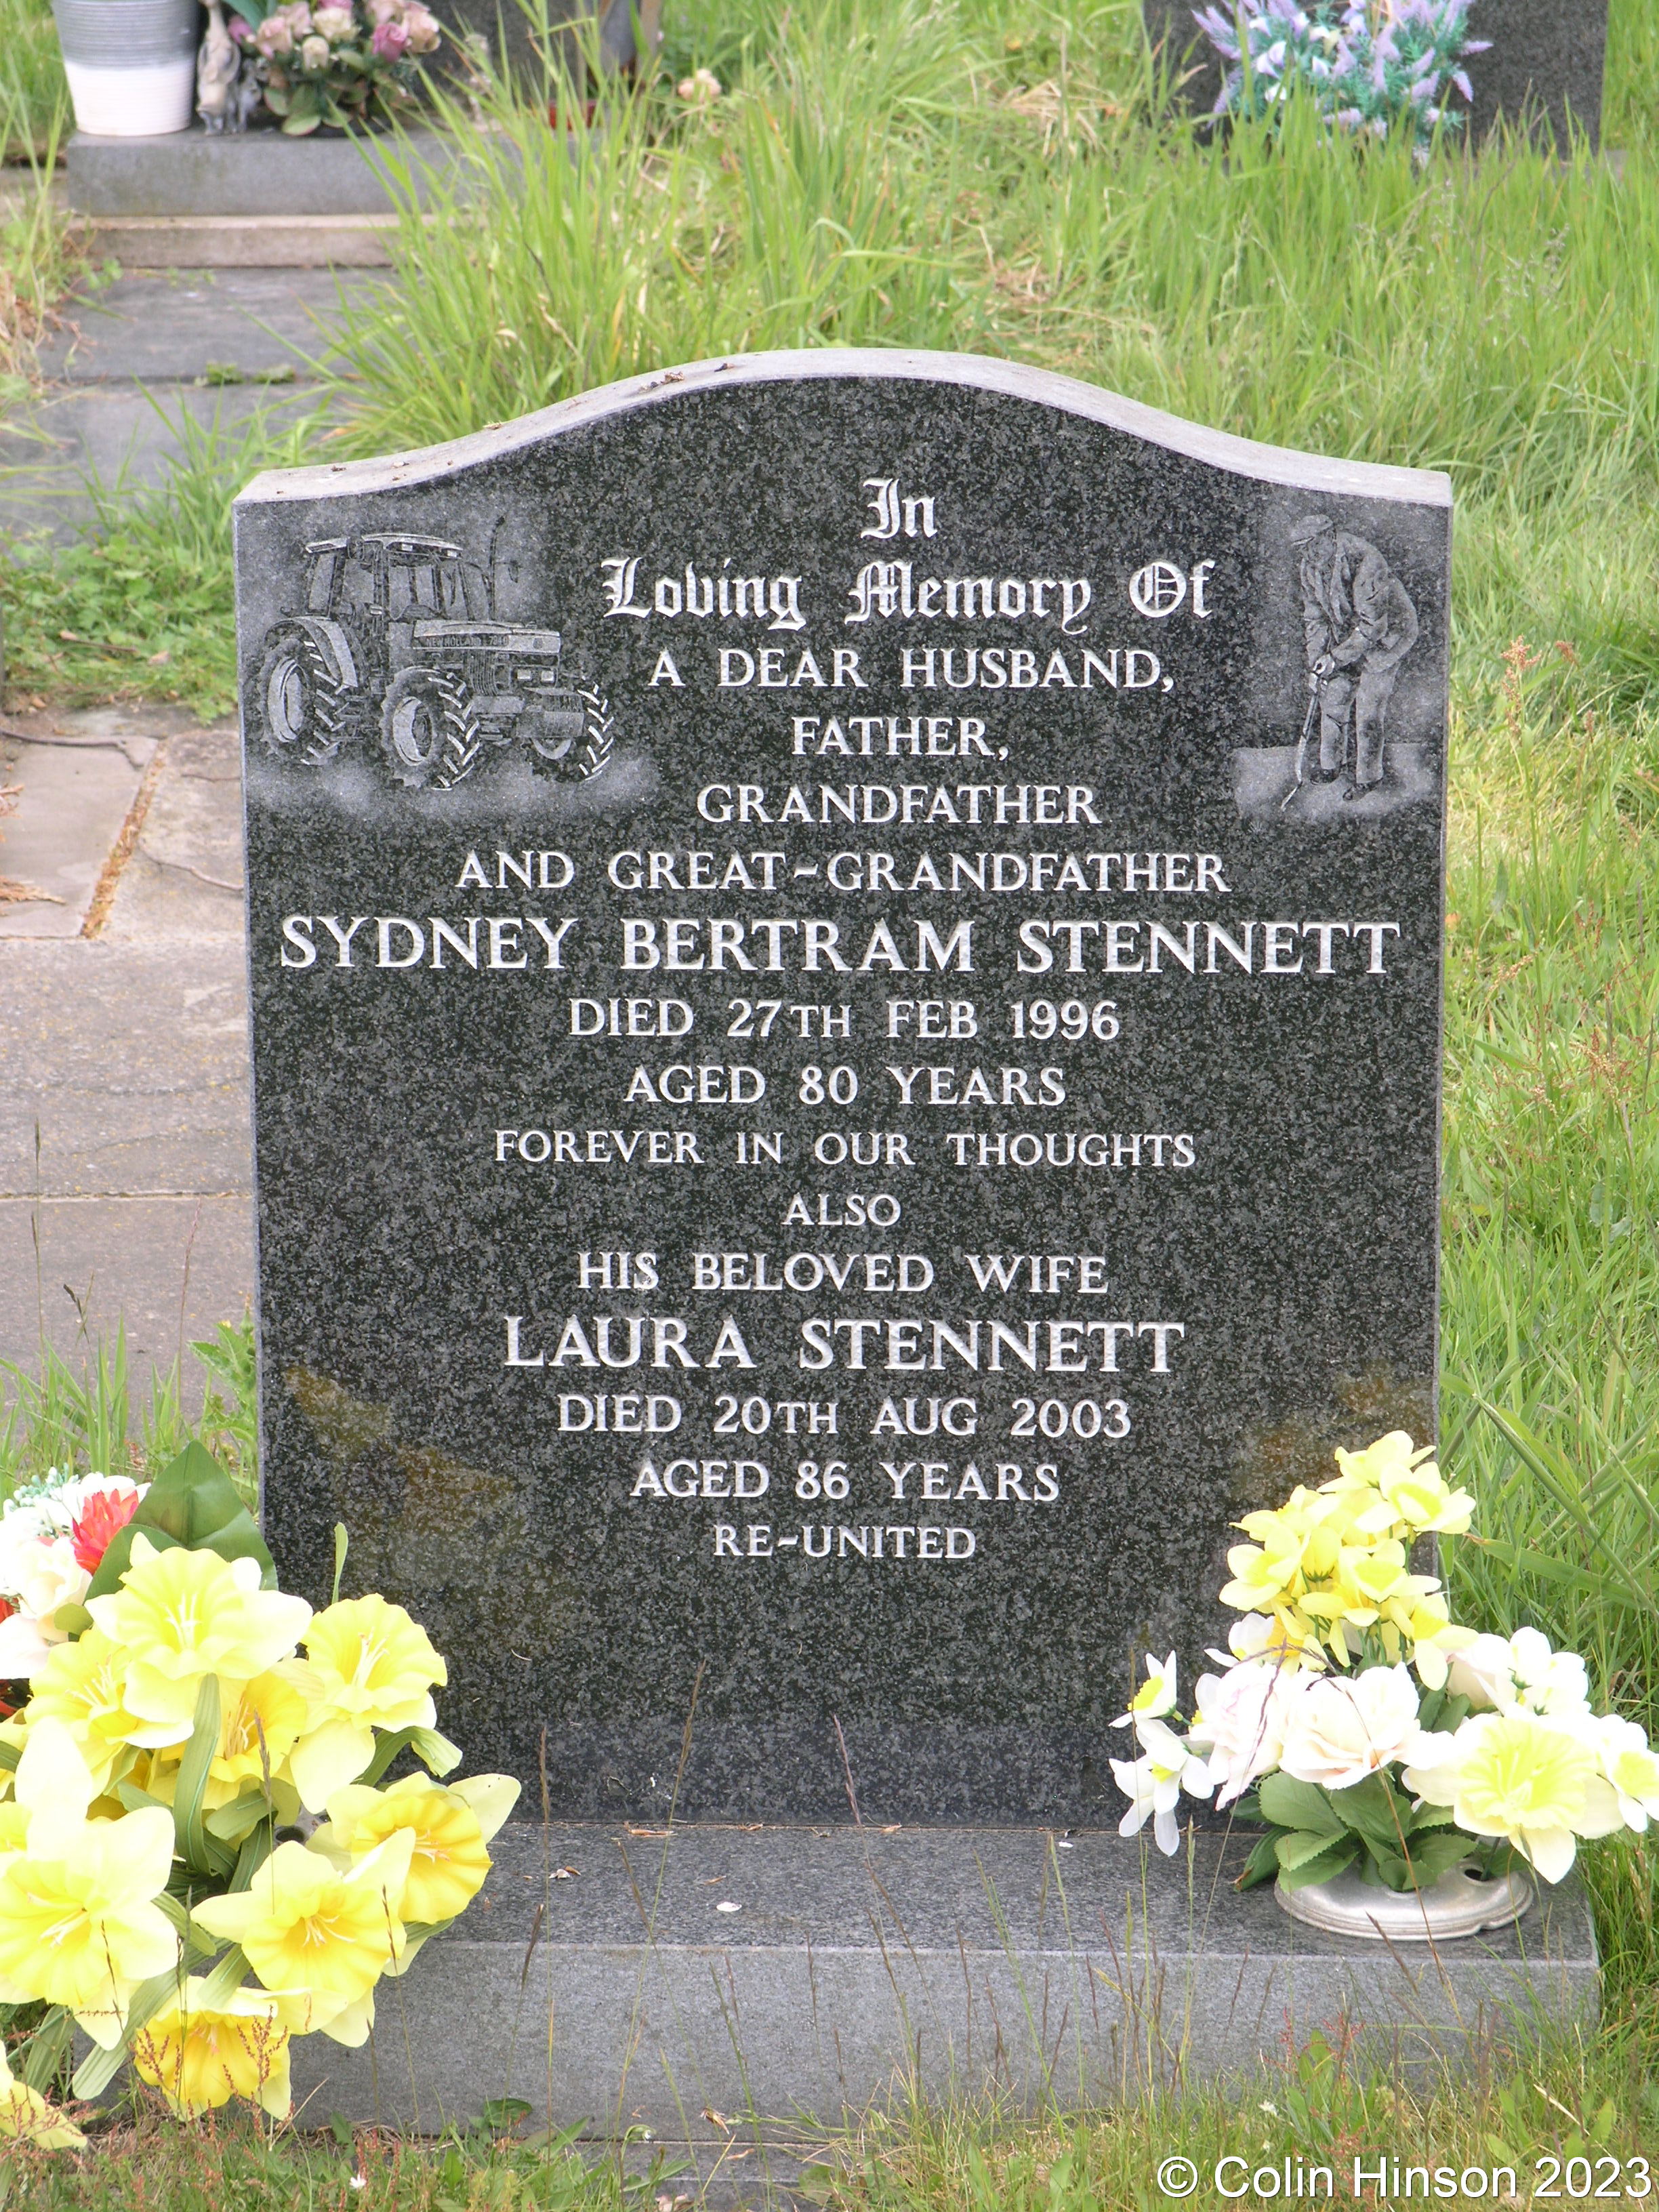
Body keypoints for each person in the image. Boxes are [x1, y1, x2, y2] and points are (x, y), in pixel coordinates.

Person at [1290, 514, 1420, 802]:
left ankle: (1368, 777)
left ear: (1329, 537)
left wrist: (1335, 658)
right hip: (1347, 634)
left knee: (1368, 711)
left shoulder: (1367, 561)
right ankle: (1331, 766)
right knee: (1333, 696)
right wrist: (1317, 663)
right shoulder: (1310, 567)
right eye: (1302, 549)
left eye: (1311, 546)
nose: (1308, 554)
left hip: (1387, 637)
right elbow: (1315, 618)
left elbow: (1373, 627)